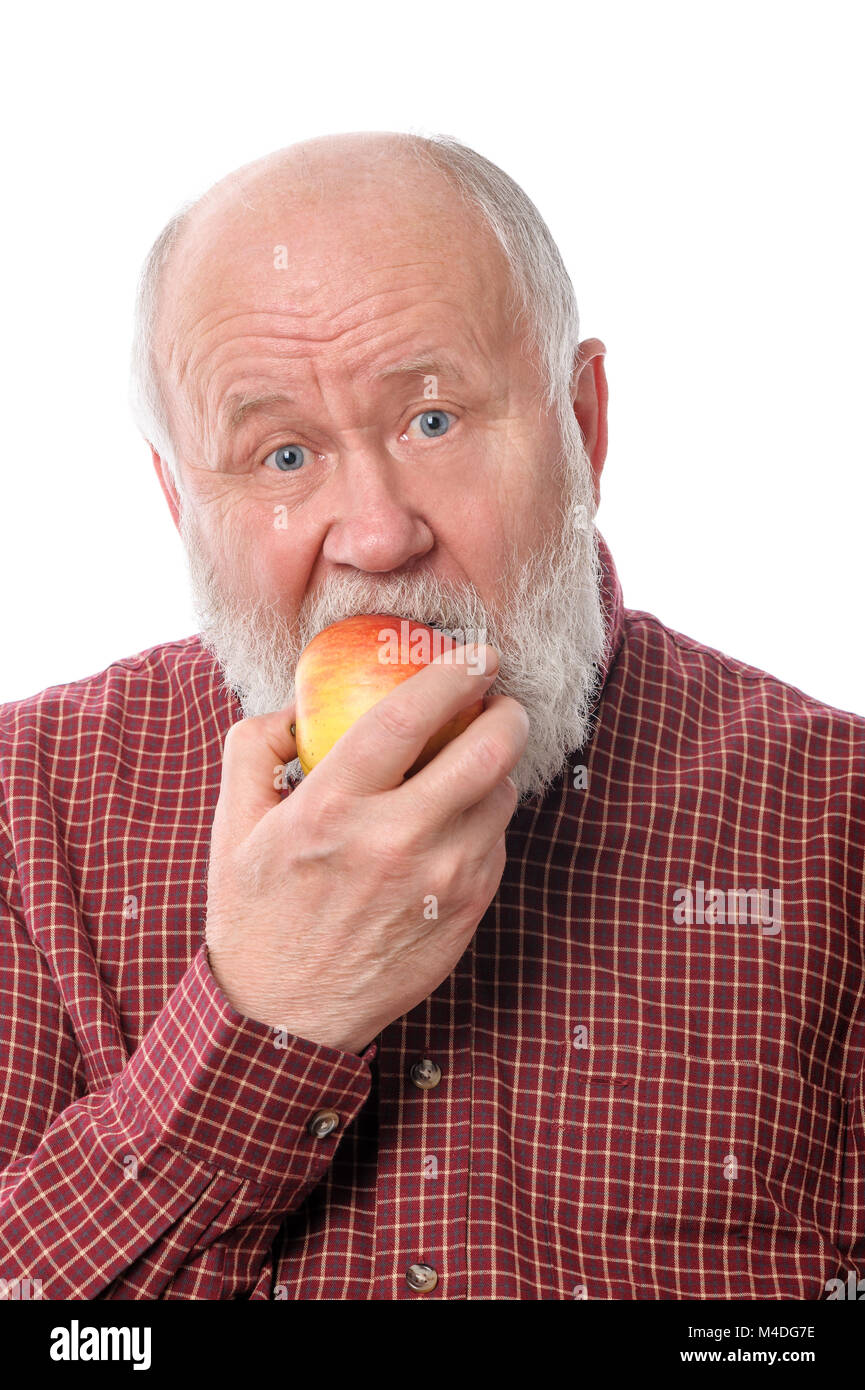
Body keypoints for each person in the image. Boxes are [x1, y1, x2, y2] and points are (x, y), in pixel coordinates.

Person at [0, 131, 861, 1300]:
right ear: (178, 500)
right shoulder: (26, 806)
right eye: (284, 453)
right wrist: (264, 1016)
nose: (376, 535)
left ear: (583, 421)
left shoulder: (837, 820)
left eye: (434, 420)